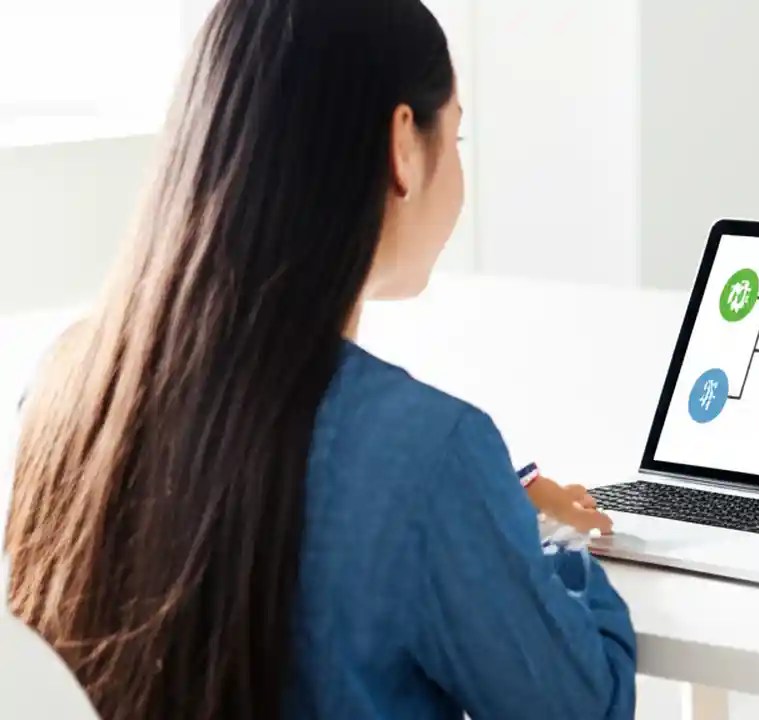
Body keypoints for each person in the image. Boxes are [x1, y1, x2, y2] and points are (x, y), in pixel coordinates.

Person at [2, 1, 635, 718]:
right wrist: (545, 539)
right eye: (456, 135)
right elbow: (581, 707)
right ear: (403, 144)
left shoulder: (63, 388)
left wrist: (482, 520)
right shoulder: (428, 453)